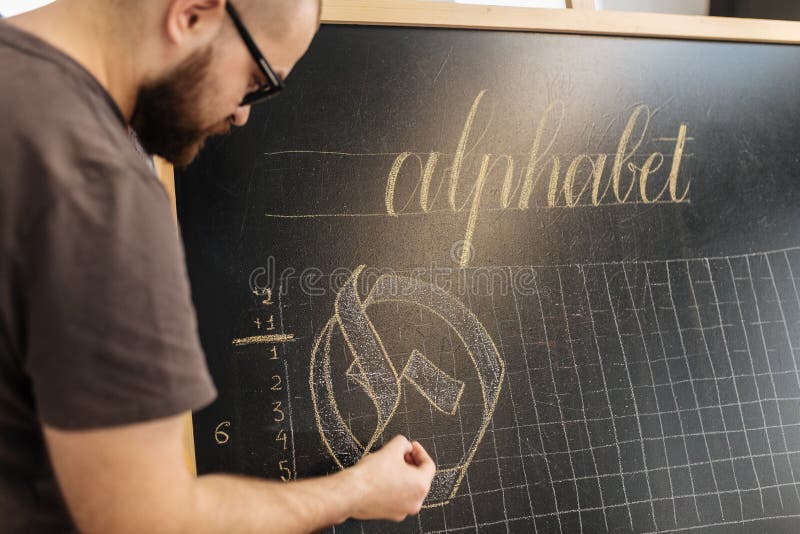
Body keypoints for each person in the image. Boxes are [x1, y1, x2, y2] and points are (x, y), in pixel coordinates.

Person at [0, 0, 436, 531]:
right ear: (192, 12)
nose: (243, 112)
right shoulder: (98, 190)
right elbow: (153, 524)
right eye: (257, 78)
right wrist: (359, 489)